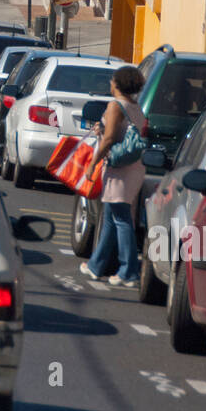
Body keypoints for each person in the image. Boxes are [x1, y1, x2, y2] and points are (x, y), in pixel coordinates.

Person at [81, 65, 148, 288]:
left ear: (118, 84)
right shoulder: (135, 106)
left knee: (121, 218)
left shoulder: (115, 105)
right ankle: (96, 265)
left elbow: (109, 139)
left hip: (120, 170)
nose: (110, 83)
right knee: (111, 217)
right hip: (133, 167)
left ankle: (128, 271)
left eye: (112, 80)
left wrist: (93, 163)